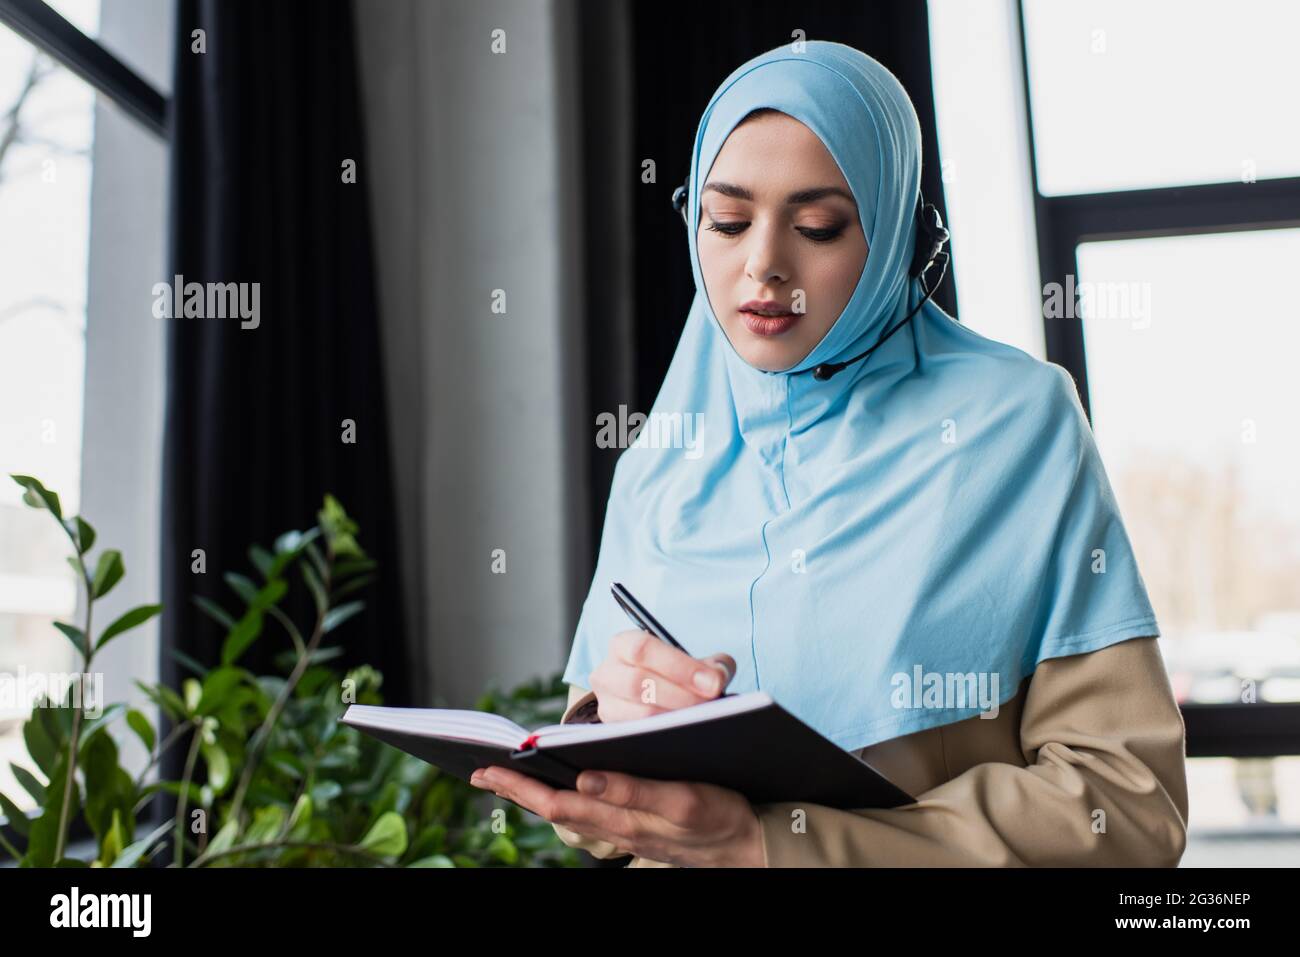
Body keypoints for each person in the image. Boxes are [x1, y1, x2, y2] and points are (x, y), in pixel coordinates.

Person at [468, 40, 1188, 868]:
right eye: (726, 220)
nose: (764, 264)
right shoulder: (661, 459)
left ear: (897, 241)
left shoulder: (1015, 424)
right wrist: (602, 742)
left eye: (818, 226)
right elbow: (595, 824)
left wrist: (764, 843)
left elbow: (1128, 809)